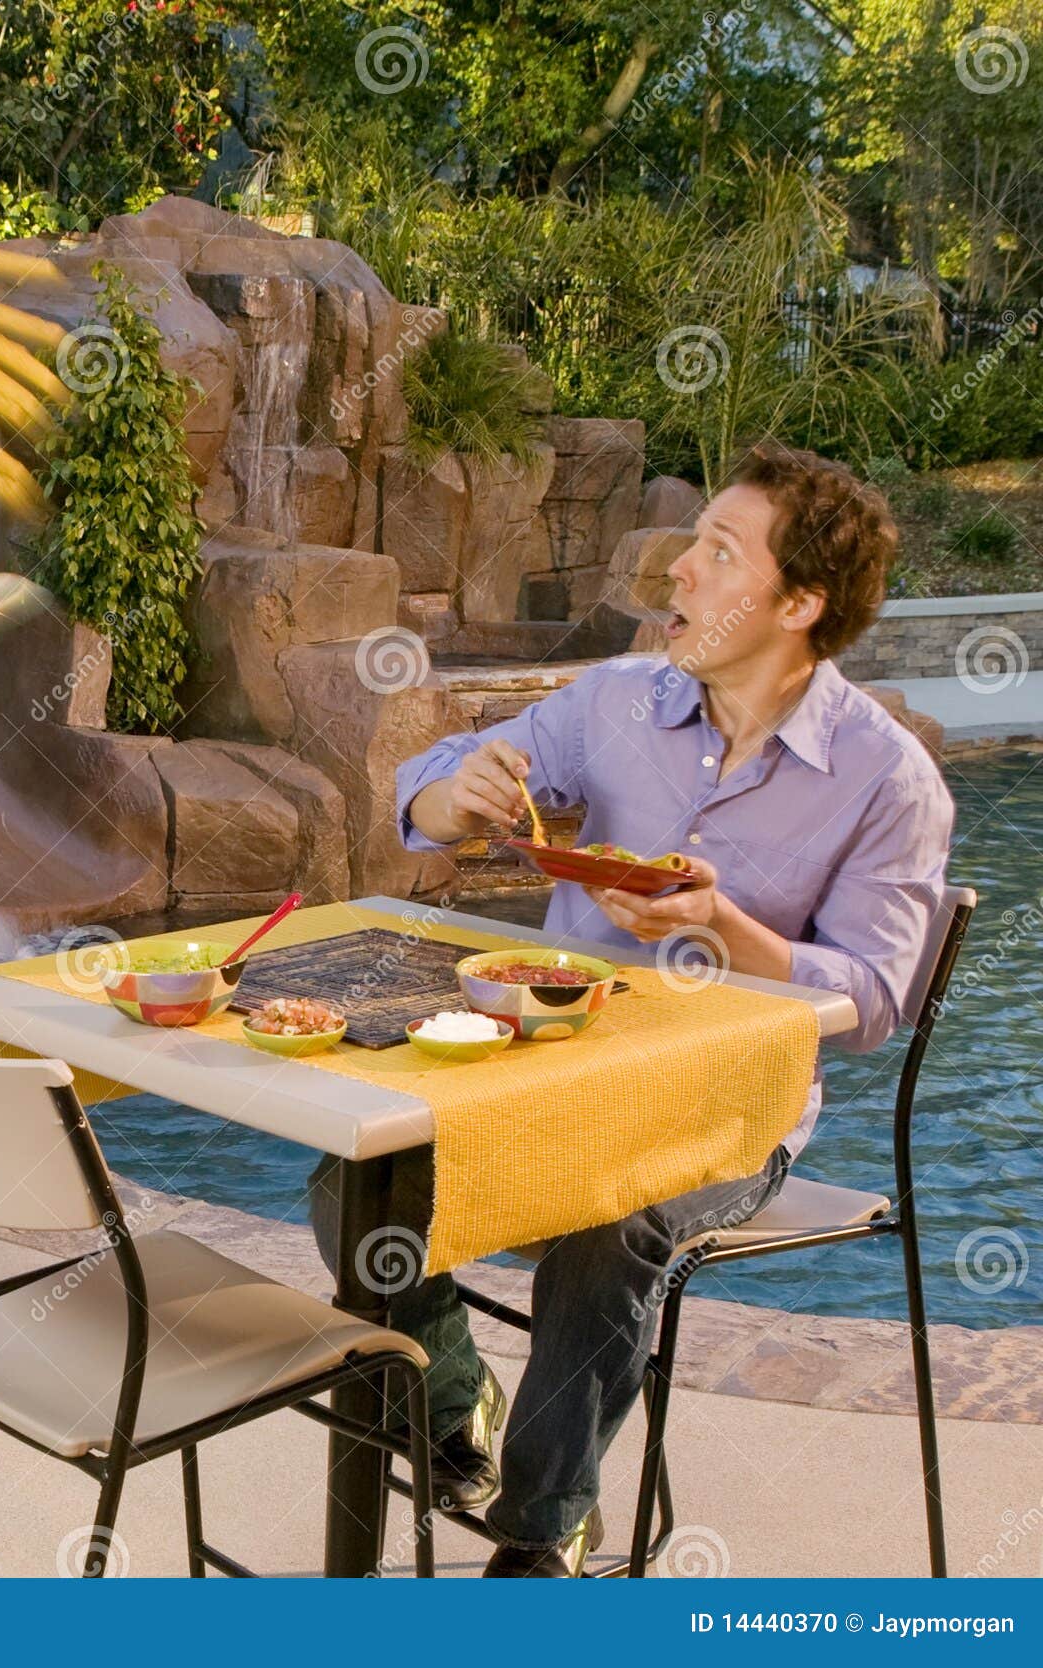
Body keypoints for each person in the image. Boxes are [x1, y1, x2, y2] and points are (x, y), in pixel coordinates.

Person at [310, 440, 954, 1575]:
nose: (678, 573)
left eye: (718, 551)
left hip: (729, 1106)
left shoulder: (888, 779)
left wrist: (725, 930)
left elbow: (869, 1001)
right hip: (553, 1070)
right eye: (692, 539)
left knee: (614, 1229)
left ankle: (538, 1535)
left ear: (797, 603)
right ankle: (456, 1405)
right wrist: (450, 790)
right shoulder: (615, 699)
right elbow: (452, 774)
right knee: (353, 1180)